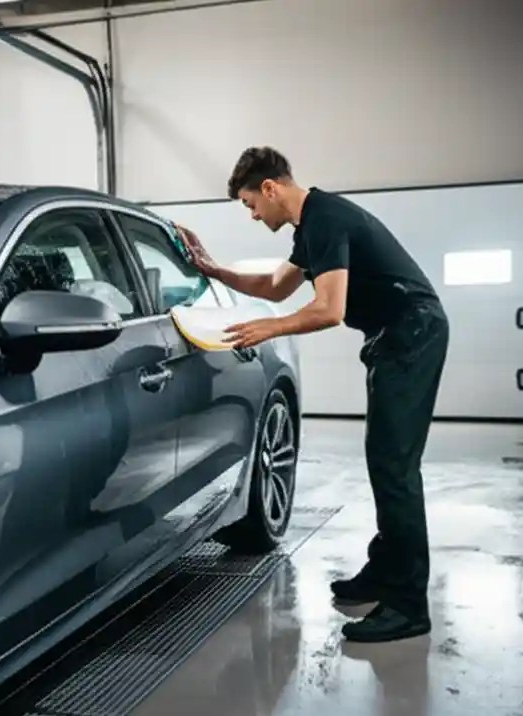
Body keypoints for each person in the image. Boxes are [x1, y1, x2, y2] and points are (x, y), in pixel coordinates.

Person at [176, 146, 449, 643]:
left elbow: (329, 310)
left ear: (271, 188)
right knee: (384, 462)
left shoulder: (325, 219)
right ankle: (386, 570)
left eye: (250, 204)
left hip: (413, 333)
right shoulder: (314, 224)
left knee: (395, 470)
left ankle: (409, 606)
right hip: (397, 337)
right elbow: (277, 286)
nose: (254, 215)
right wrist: (215, 271)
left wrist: (268, 330)